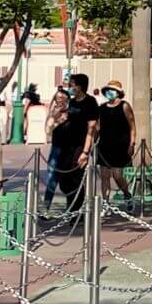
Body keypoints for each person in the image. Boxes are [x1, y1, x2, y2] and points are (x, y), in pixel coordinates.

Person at [46, 74, 98, 216]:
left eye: (73, 84)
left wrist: (85, 152)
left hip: (80, 146)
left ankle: (76, 212)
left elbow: (91, 129)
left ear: (80, 86)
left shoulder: (90, 102)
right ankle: (71, 208)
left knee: (76, 179)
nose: (71, 87)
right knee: (65, 181)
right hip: (67, 147)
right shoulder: (73, 102)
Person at [95, 81, 135, 203]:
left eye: (112, 90)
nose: (109, 92)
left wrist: (132, 143)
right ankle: (105, 202)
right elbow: (98, 126)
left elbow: (132, 125)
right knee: (104, 176)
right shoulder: (101, 108)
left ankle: (127, 194)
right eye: (107, 90)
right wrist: (93, 141)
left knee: (117, 175)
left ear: (118, 92)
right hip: (104, 145)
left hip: (120, 146)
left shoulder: (124, 106)